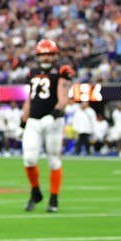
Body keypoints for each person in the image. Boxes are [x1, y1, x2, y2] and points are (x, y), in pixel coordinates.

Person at [22, 39, 74, 213]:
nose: (45, 57)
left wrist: (54, 114)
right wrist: (23, 117)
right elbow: (31, 97)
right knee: (29, 159)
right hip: (34, 120)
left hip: (53, 121)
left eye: (48, 54)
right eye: (42, 54)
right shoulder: (32, 72)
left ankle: (54, 198)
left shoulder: (61, 72)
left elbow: (64, 98)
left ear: (55, 55)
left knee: (53, 160)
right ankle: (35, 191)